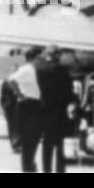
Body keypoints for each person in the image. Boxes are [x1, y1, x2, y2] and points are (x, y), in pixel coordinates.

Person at [36, 45, 74, 173]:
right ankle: (60, 171)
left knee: (47, 144)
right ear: (57, 55)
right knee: (60, 145)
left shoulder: (40, 70)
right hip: (59, 112)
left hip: (45, 112)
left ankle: (46, 170)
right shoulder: (63, 70)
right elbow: (69, 92)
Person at [11, 46, 45, 173]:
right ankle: (28, 168)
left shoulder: (38, 69)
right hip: (27, 105)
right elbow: (12, 80)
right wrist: (19, 94)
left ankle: (30, 166)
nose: (42, 59)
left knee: (34, 139)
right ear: (34, 57)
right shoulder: (26, 69)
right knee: (27, 142)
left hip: (37, 105)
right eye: (40, 57)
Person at [0, 75, 21, 154]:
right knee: (11, 127)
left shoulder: (19, 81)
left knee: (17, 127)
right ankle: (14, 145)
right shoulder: (6, 83)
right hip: (9, 108)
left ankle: (17, 145)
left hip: (18, 107)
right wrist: (4, 106)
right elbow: (2, 96)